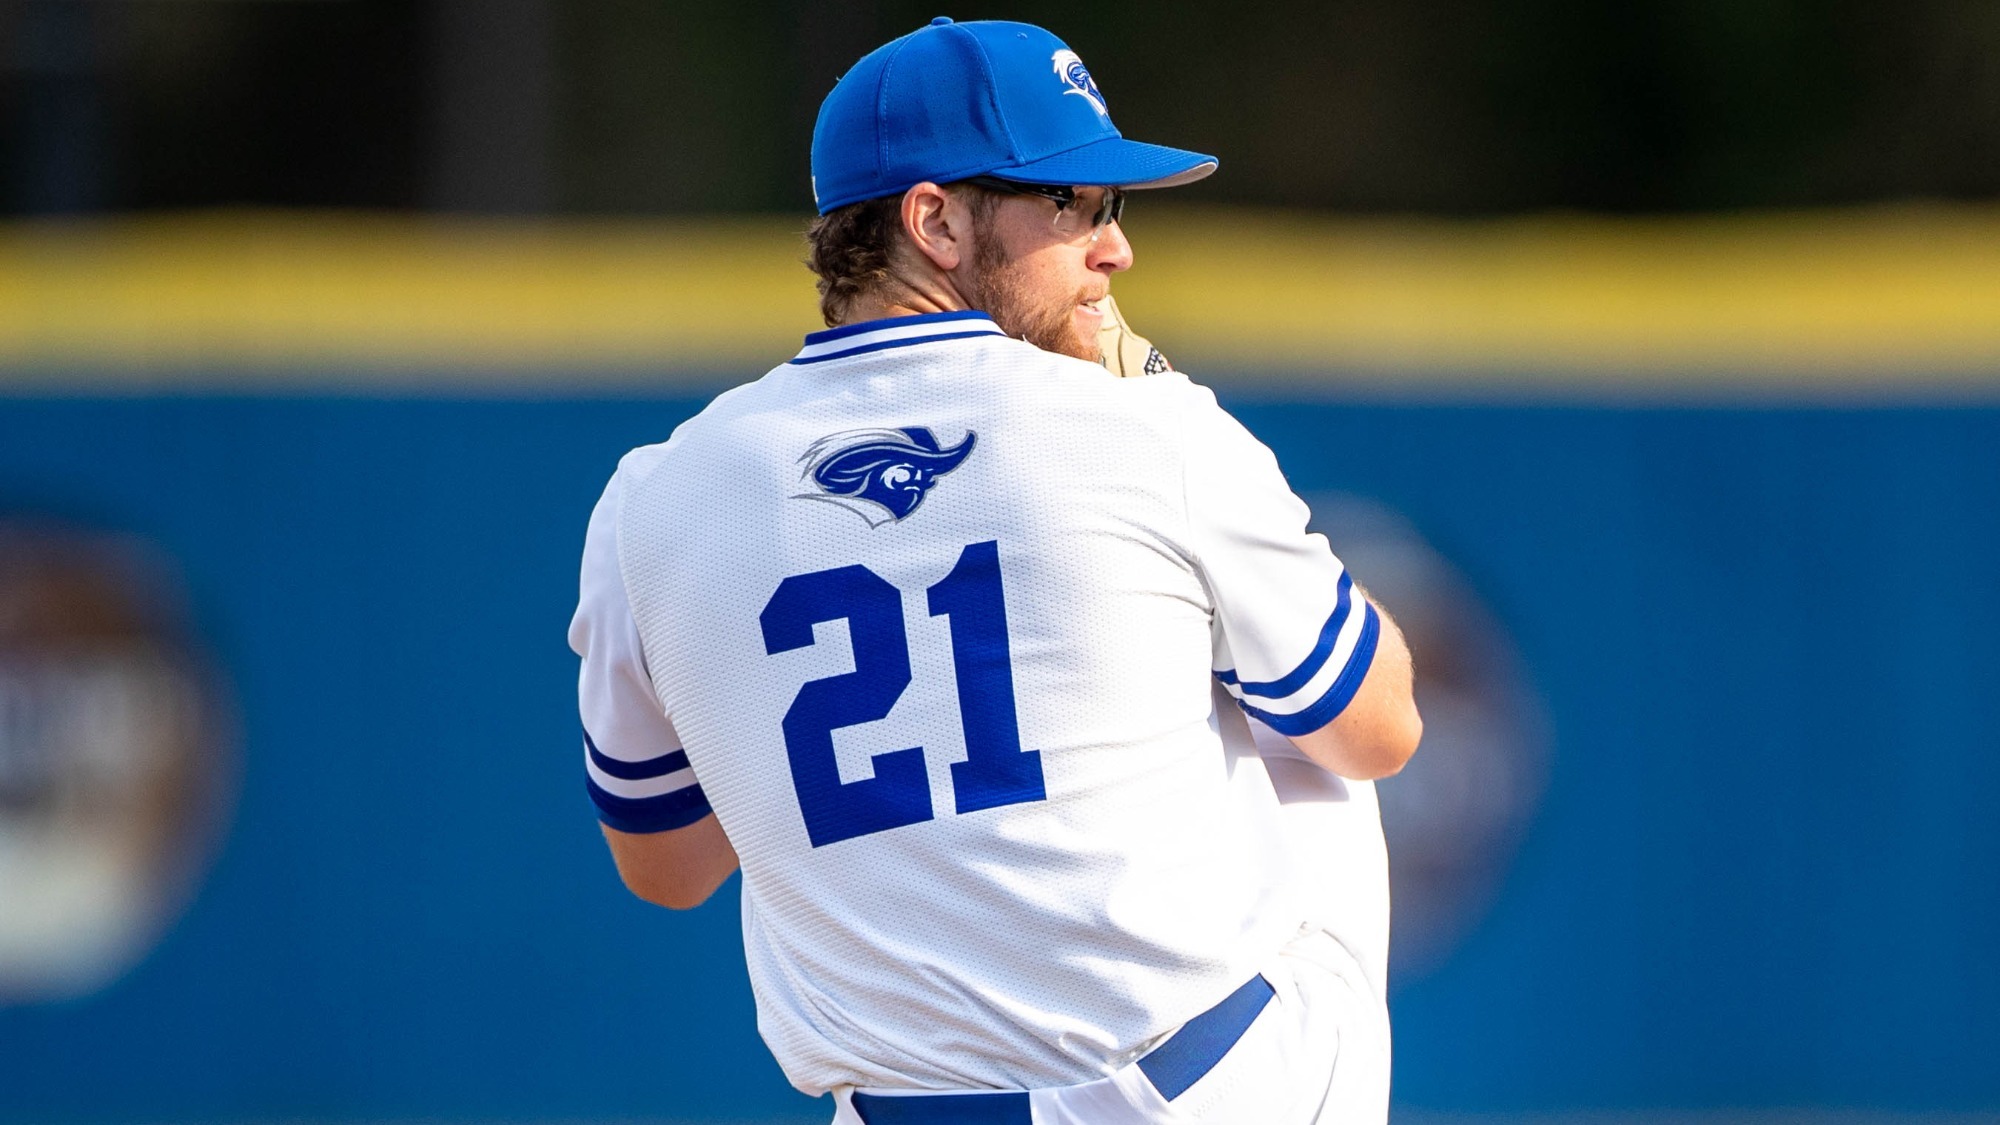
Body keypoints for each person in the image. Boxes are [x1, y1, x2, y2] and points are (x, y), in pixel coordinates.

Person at [568, 18, 1421, 1125]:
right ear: (933, 221)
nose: (1113, 248)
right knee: (1293, 711)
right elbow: (1381, 732)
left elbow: (666, 868)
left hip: (896, 1112)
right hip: (1200, 1095)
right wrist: (1157, 389)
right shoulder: (1146, 426)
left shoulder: (653, 498)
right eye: (1072, 205)